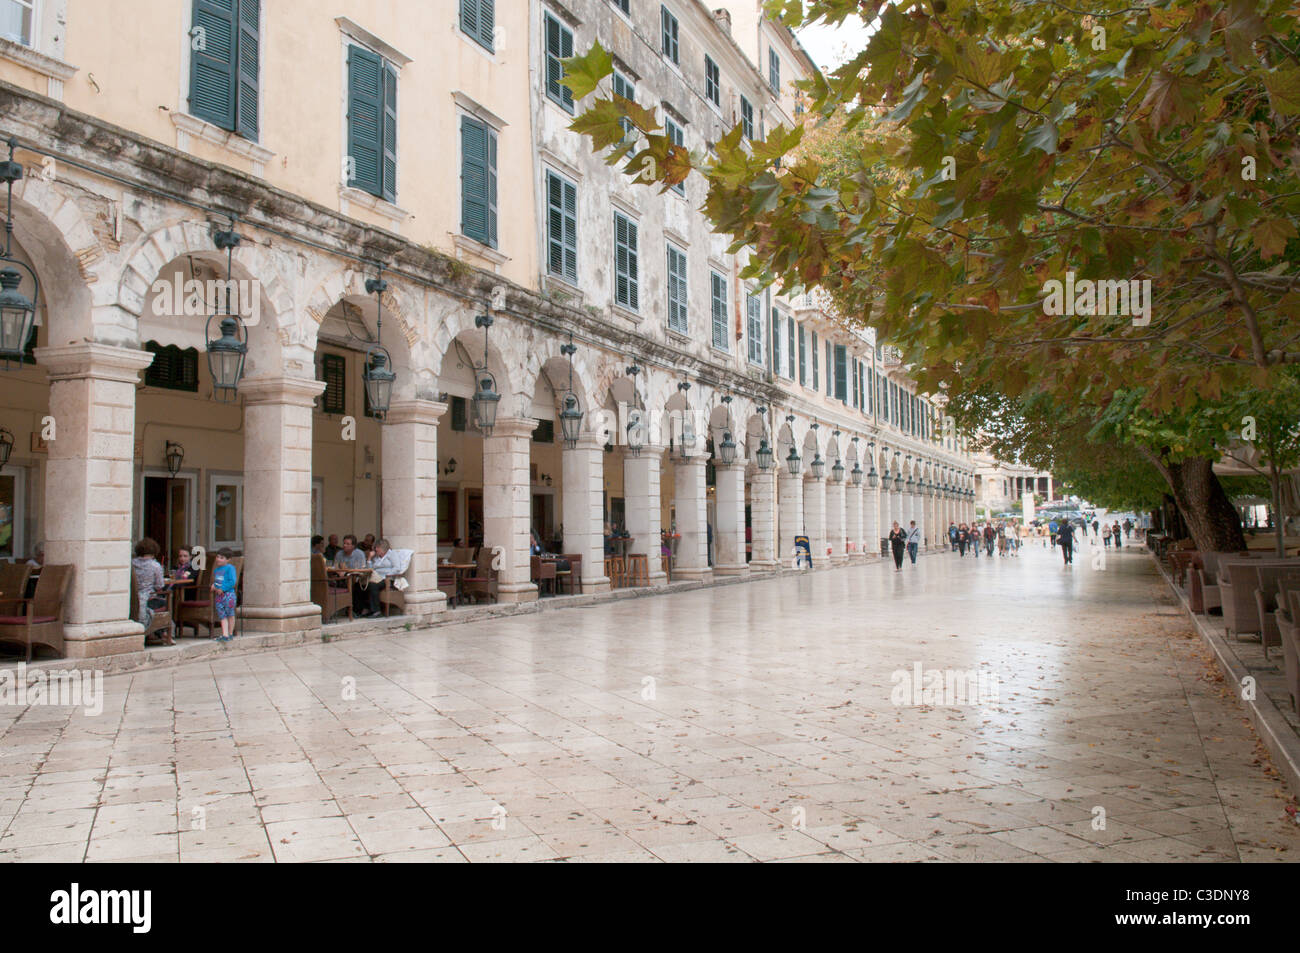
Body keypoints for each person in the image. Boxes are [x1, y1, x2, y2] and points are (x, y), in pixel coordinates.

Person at [359, 538, 403, 617]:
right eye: (375, 548)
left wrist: (387, 575)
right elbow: (370, 569)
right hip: (375, 577)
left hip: (387, 579)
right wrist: (369, 558)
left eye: (377, 547)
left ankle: (376, 611)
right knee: (359, 585)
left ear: (383, 547)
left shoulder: (392, 554)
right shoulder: (376, 557)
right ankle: (363, 609)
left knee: (373, 585)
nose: (375, 549)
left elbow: (397, 568)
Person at [131, 538, 167, 630]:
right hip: (149, 598)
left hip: (133, 599)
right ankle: (163, 631)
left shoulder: (132, 563)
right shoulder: (155, 565)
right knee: (166, 602)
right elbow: (159, 586)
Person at [211, 548, 238, 642]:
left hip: (228, 595)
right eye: (218, 557)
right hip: (219, 596)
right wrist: (214, 586)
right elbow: (217, 582)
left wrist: (222, 588)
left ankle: (230, 633)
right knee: (222, 615)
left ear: (228, 559)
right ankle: (225, 634)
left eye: (221, 557)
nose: (218, 559)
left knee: (230, 614)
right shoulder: (216, 570)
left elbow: (232, 582)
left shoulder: (230, 568)